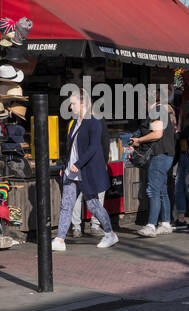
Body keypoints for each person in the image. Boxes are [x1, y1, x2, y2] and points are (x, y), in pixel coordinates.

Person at [53, 90, 118, 251]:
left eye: (73, 103)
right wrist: (65, 165)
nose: (70, 106)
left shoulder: (93, 121)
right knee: (66, 205)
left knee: (94, 205)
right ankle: (60, 239)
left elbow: (94, 146)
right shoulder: (75, 122)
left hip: (85, 171)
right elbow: (70, 148)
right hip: (71, 171)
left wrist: (79, 163)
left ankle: (110, 233)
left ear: (83, 103)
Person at [129, 90, 176, 236]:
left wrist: (139, 140)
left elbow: (157, 133)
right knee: (161, 190)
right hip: (166, 154)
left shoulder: (156, 110)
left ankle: (151, 225)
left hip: (159, 155)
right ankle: (166, 223)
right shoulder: (164, 110)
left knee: (153, 190)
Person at [173, 99, 189, 228]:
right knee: (180, 189)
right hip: (184, 157)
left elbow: (179, 135)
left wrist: (177, 125)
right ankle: (181, 218)